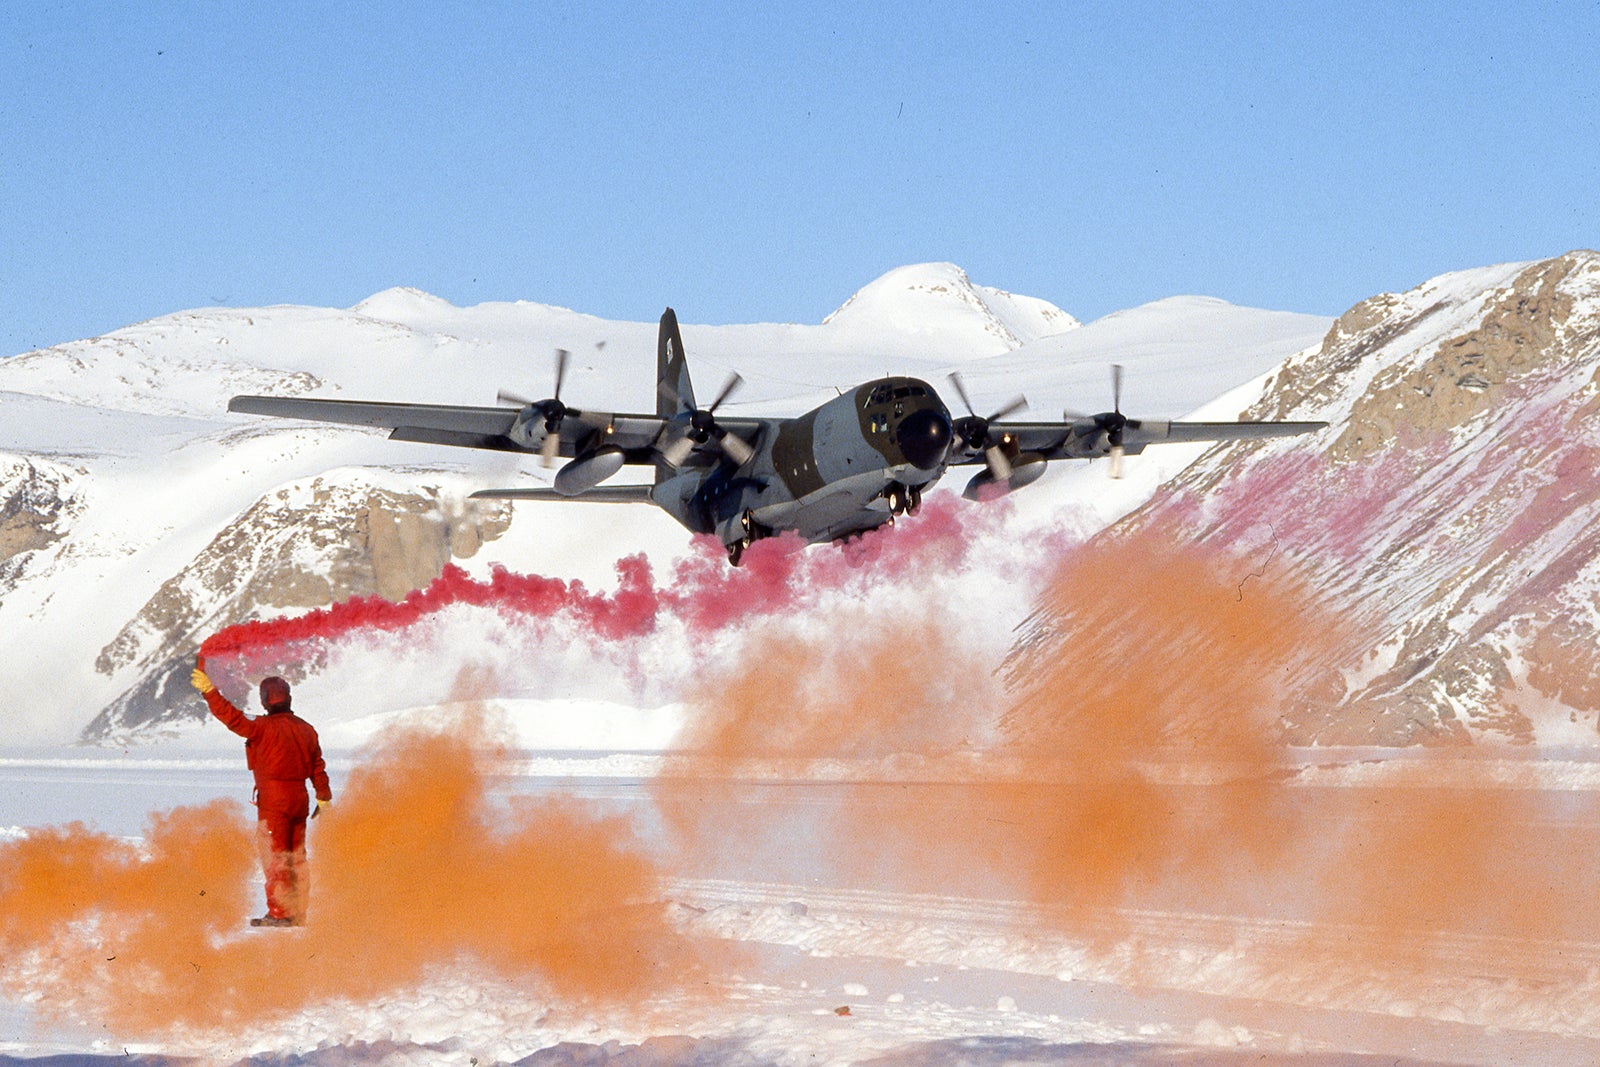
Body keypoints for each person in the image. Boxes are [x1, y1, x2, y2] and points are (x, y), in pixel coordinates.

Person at [190, 658, 332, 927]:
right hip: (300, 798)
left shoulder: (261, 727)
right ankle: (298, 911)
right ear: (288, 698)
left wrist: (209, 690)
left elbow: (231, 716)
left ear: (266, 700)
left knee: (276, 854)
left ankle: (280, 913)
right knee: (296, 855)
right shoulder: (306, 729)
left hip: (274, 799)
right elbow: (317, 766)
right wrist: (323, 797)